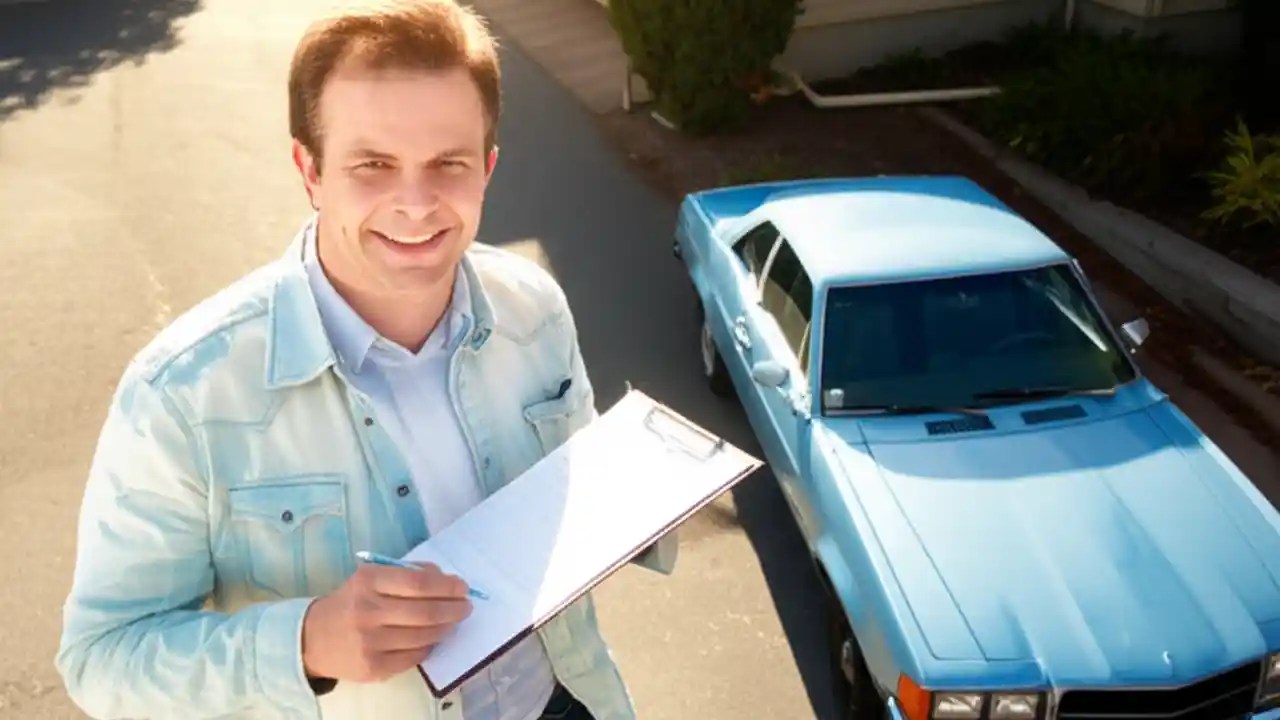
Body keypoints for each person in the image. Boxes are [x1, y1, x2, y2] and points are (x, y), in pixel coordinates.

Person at [54, 1, 677, 718]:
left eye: (448, 163)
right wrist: (304, 644)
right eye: (373, 165)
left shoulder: (533, 307)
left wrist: (643, 496)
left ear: (488, 170)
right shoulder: (182, 395)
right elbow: (102, 657)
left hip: (563, 700)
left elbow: (572, 483)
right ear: (309, 170)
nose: (415, 205)